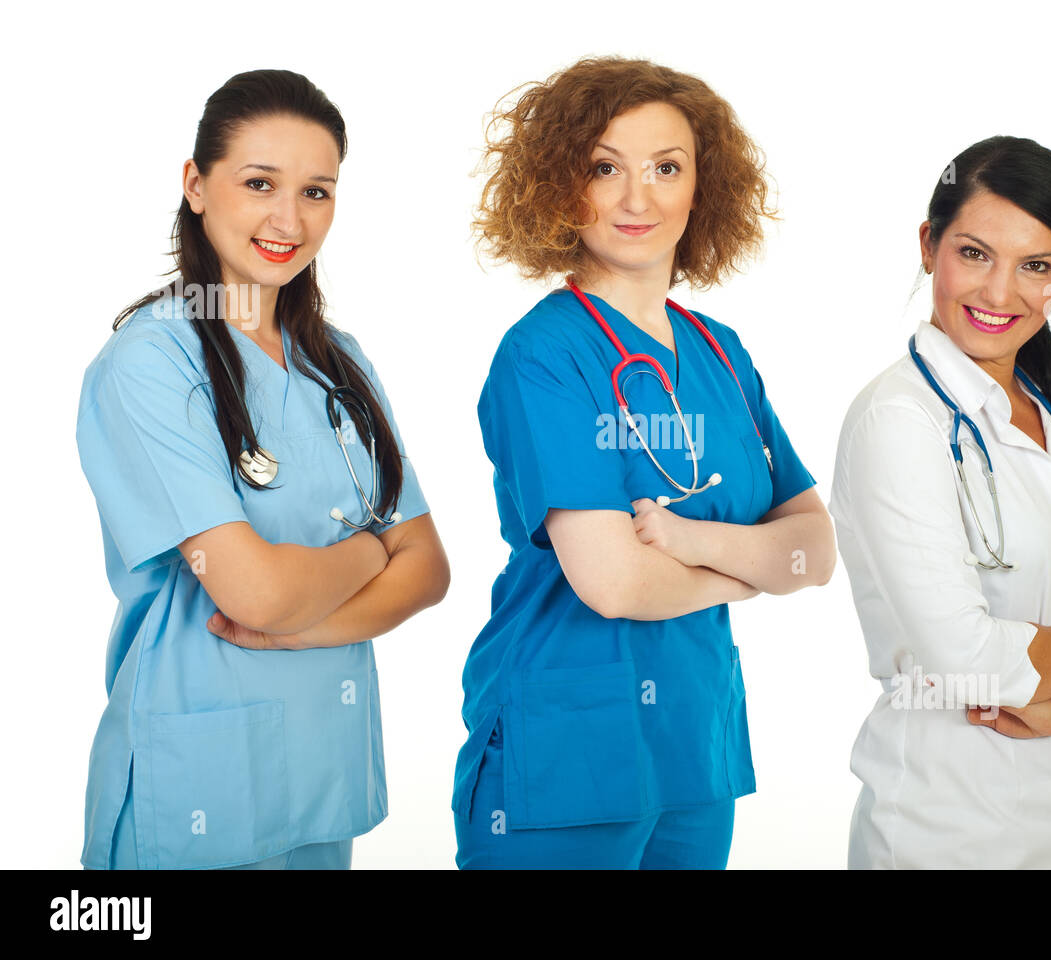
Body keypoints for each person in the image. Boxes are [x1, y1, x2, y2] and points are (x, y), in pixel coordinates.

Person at [455, 56, 834, 869]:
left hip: (695, 747)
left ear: (704, 188)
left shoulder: (721, 353)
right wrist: (756, 570)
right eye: (605, 168)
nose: (639, 198)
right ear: (562, 187)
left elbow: (816, 550)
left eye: (667, 168)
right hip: (564, 748)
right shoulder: (544, 356)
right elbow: (615, 583)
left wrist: (692, 543)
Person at [76, 69, 449, 870]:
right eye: (258, 184)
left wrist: (301, 624)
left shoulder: (340, 362)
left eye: (317, 192)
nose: (289, 219)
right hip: (199, 780)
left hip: (323, 769)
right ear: (196, 185)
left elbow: (429, 572)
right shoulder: (151, 363)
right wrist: (367, 552)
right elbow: (256, 594)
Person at [829, 135, 1051, 869]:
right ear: (929, 244)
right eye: (974, 253)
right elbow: (977, 666)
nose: (999, 294)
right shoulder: (898, 421)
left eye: (1036, 267)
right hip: (952, 833)